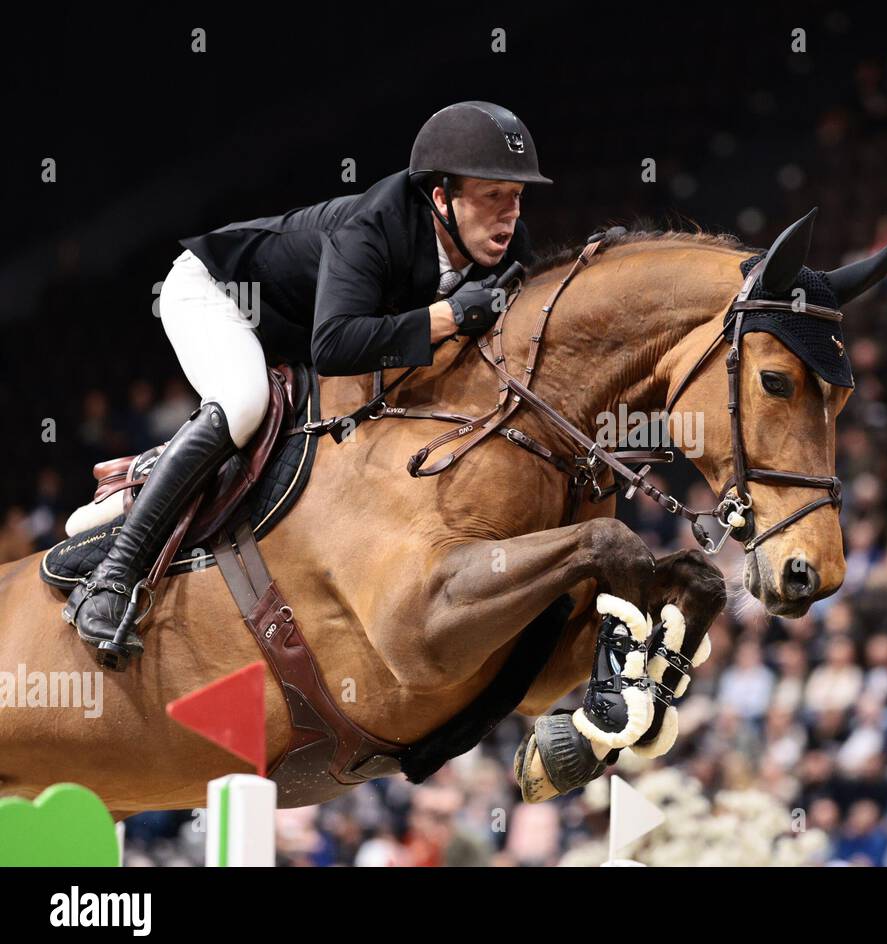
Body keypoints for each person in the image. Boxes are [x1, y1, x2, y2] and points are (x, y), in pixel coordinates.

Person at [64, 101, 550, 668]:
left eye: (517, 196)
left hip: (297, 327)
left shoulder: (501, 241)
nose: (510, 214)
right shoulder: (373, 227)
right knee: (245, 403)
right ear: (441, 198)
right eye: (493, 195)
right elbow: (336, 346)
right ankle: (113, 578)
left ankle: (155, 472)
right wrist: (447, 316)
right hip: (220, 295)